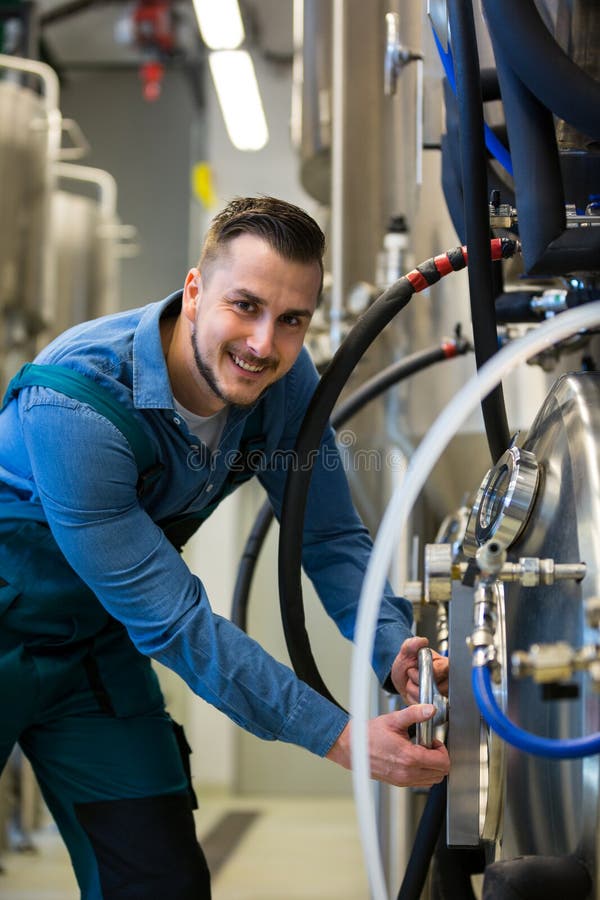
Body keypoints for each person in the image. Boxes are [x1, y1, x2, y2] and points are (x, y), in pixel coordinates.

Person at [0, 196, 449, 898]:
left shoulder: (283, 385)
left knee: (162, 883)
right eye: (245, 305)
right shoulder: (77, 406)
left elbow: (329, 536)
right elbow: (176, 623)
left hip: (89, 648)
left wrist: (394, 647)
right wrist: (340, 737)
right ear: (195, 290)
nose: (264, 344)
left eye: (292, 320)